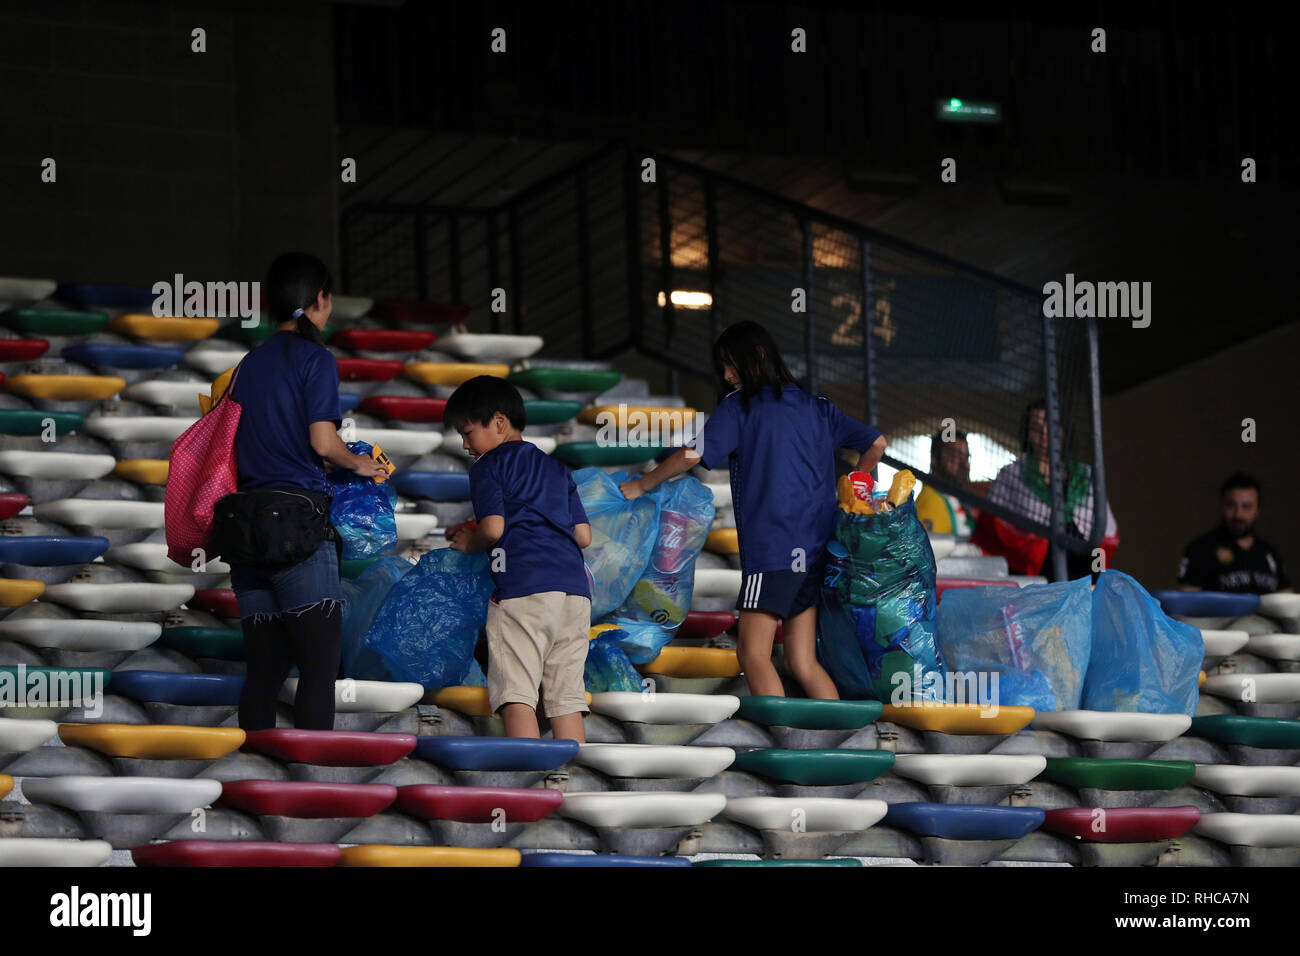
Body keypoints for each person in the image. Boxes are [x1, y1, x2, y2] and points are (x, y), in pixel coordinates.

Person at [620, 320, 885, 699]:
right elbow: (877, 441)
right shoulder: (819, 407)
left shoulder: (741, 406)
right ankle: (838, 741)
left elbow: (693, 453)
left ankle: (784, 738)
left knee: (753, 653)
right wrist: (855, 483)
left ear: (758, 356)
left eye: (732, 365)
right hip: (816, 550)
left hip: (773, 549)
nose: (728, 376)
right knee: (801, 661)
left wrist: (643, 484)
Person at [229, 252, 388, 731]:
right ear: (320, 299)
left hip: (245, 526)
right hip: (297, 524)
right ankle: (313, 788)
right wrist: (362, 463)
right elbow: (322, 442)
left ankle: (252, 785)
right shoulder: (316, 358)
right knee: (319, 668)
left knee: (264, 671)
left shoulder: (248, 363)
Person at [445, 376, 593, 742]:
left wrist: (468, 543)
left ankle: (526, 784)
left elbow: (493, 529)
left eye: (467, 433)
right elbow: (584, 536)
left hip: (525, 587)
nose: (465, 446)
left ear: (498, 423)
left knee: (517, 693)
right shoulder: (558, 469)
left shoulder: (488, 465)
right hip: (575, 592)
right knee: (566, 697)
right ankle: (571, 783)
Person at [974, 399, 1118, 579]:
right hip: (1035, 569)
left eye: (1052, 425)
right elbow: (992, 526)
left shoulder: (1086, 475)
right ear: (1027, 433)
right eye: (1036, 427)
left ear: (1063, 430)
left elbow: (1105, 526)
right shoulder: (1011, 475)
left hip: (1083, 562)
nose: (1044, 433)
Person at [1178, 473, 1292, 593]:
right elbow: (1187, 601)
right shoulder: (1199, 549)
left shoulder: (1270, 554)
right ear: (1222, 506)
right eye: (1231, 505)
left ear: (1258, 510)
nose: (1238, 514)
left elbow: (1286, 600)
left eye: (1246, 506)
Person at [915, 426, 977, 537]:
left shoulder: (955, 499)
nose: (964, 464)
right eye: (955, 457)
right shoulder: (932, 501)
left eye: (966, 457)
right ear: (934, 460)